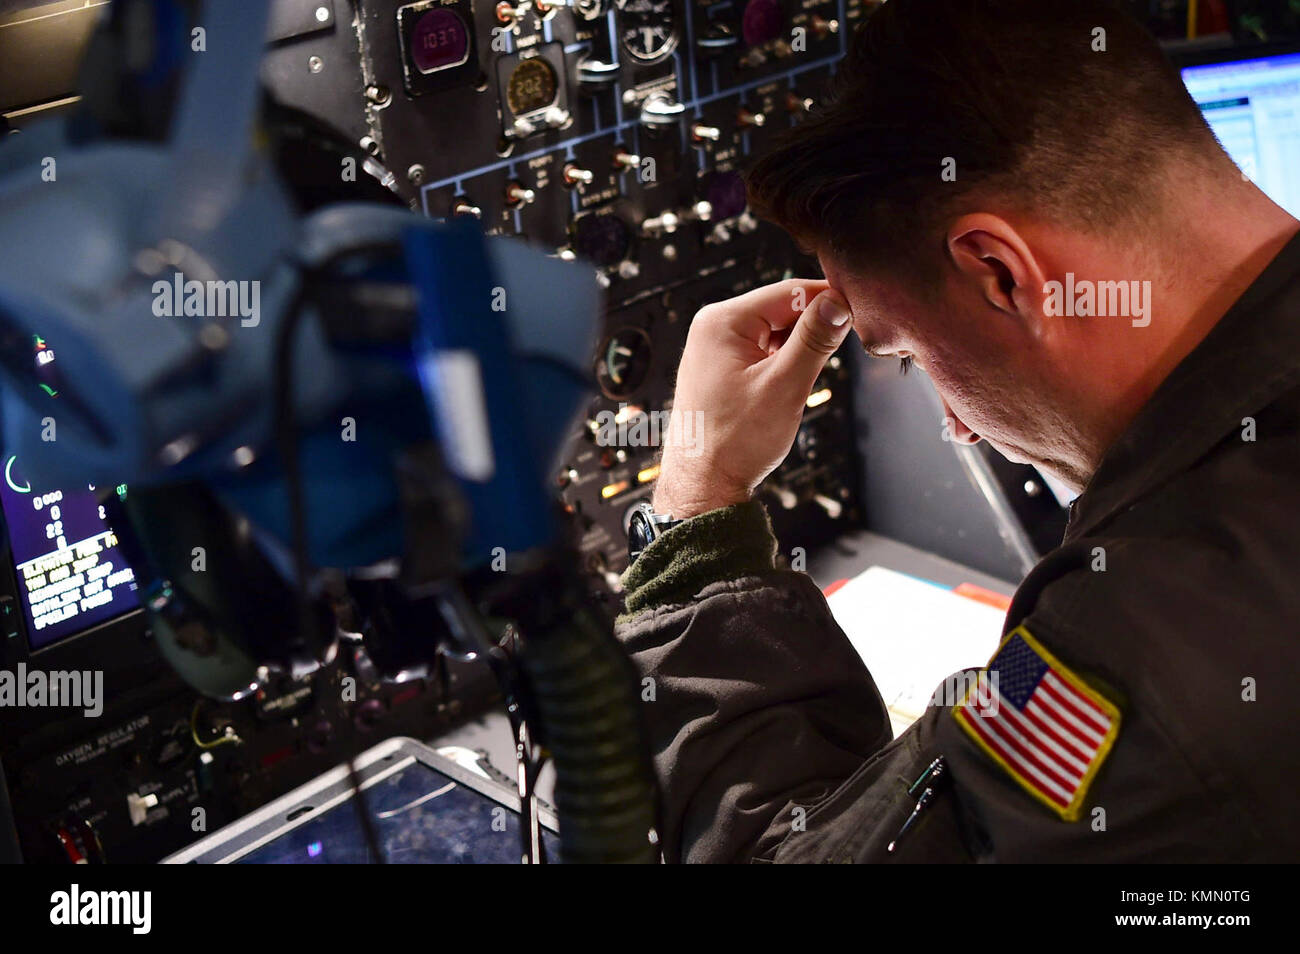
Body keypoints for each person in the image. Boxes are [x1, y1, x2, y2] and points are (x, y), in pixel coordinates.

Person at [614, 0, 1300, 862]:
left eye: (908, 354)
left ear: (1001, 272)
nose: (958, 429)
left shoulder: (1114, 655)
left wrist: (699, 505)